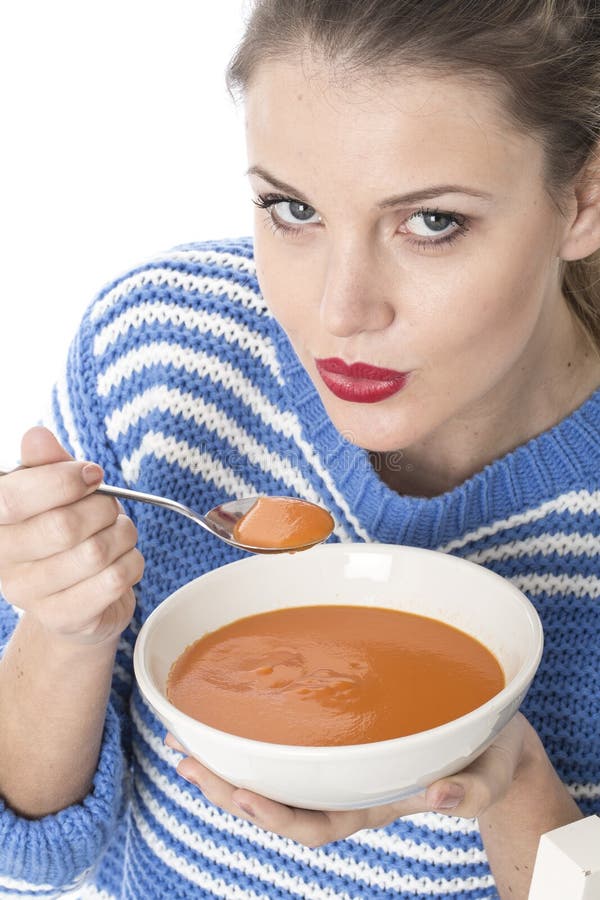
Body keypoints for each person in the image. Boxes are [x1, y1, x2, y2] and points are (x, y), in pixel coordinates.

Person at [1, 0, 599, 897]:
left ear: (583, 202)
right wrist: (64, 632)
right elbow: (33, 853)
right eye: (292, 208)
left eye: (431, 222)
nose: (339, 312)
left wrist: (512, 784)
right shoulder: (167, 346)